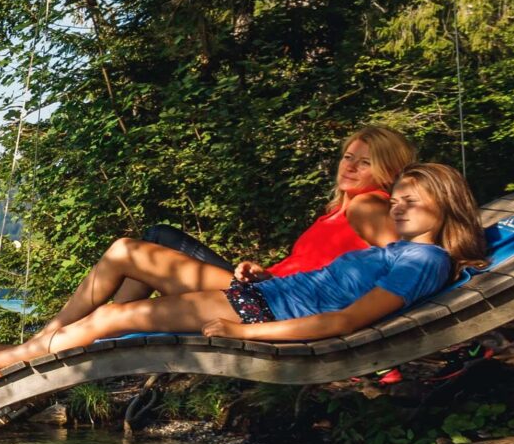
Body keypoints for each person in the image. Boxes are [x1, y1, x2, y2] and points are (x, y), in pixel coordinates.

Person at [0, 162, 488, 383]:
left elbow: (342, 322)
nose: (396, 208)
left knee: (114, 317)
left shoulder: (425, 259)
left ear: (445, 204)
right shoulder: (413, 253)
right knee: (115, 314)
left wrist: (246, 332)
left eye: (410, 202)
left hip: (263, 309)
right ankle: (1, 361)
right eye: (397, 201)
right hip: (266, 296)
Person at [31, 126, 419, 338]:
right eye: (347, 157)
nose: (349, 167)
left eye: (364, 162)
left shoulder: (369, 205)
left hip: (272, 304)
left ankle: (49, 337)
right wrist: (266, 272)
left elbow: (396, 258)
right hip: (270, 289)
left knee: (125, 252)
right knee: (155, 238)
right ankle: (78, 335)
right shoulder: (342, 209)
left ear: (386, 170)